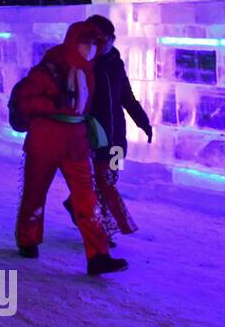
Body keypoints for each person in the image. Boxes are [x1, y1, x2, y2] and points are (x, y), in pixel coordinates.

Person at [10, 20, 128, 275]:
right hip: (46, 139)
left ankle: (98, 255)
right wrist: (54, 103)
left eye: (94, 43)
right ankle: (28, 238)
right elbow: (24, 101)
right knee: (35, 192)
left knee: (87, 197)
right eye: (86, 43)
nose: (90, 48)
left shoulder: (89, 69)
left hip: (76, 141)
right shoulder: (49, 69)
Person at [75, 14, 152, 242]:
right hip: (94, 139)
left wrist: (143, 122)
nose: (103, 42)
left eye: (107, 37)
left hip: (117, 139)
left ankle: (75, 205)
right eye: (97, 38)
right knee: (102, 184)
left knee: (109, 180)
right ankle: (104, 230)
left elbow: (126, 97)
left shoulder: (116, 64)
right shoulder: (85, 65)